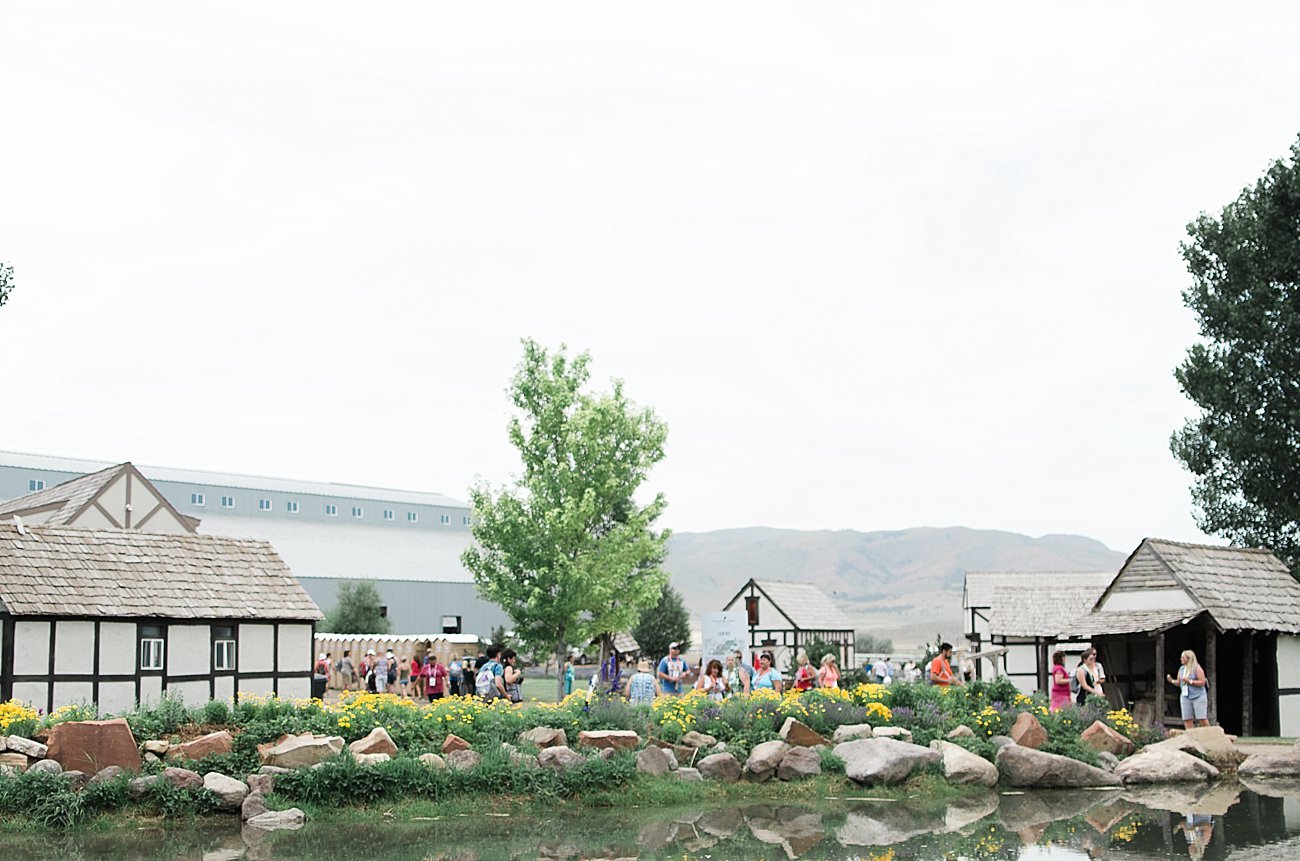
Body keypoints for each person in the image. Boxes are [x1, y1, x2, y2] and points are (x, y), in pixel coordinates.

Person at [1167, 649, 1209, 729]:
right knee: (1187, 718)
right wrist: (1171, 680)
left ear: (1188, 658)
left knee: (1201, 718)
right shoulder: (1182, 669)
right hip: (1185, 696)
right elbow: (1179, 682)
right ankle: (1191, 736)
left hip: (1198, 696)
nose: (1181, 659)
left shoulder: (1197, 668)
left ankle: (1209, 734)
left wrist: (1190, 681)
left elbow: (1202, 682)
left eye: (1183, 657)